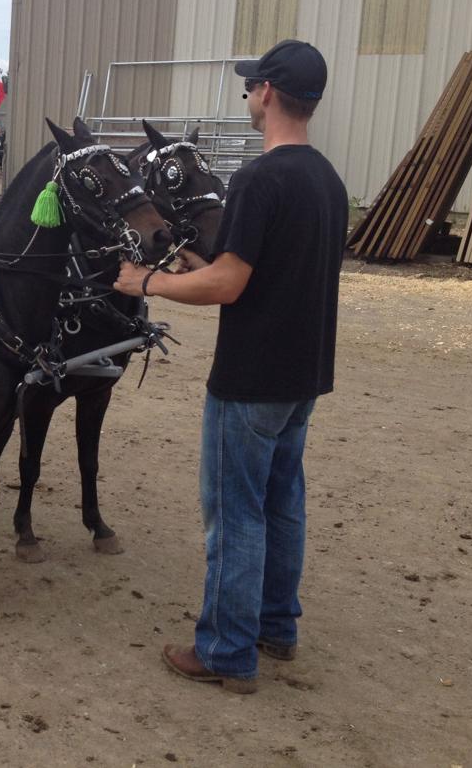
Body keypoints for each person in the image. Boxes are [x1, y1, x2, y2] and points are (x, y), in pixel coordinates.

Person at [114, 39, 348, 694]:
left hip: (251, 378)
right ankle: (276, 626)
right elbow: (264, 269)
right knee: (282, 502)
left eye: (251, 86)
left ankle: (226, 650)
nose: (248, 95)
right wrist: (194, 265)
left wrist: (147, 283)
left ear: (266, 93)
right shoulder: (328, 181)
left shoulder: (258, 178)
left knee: (235, 512)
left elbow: (229, 286)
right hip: (303, 374)